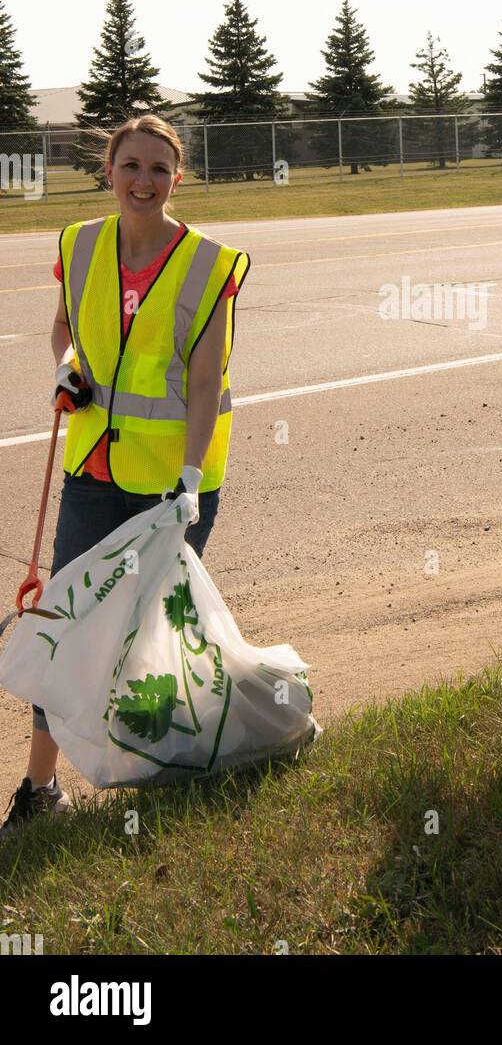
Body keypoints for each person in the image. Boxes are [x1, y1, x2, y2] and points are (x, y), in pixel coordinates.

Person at [1, 115, 249, 837]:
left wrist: (192, 481)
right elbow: (64, 329)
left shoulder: (207, 263)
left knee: (152, 635)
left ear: (179, 178)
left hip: (174, 485)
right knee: (61, 627)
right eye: (131, 165)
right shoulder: (79, 244)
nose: (144, 181)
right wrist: (67, 369)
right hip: (91, 471)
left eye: (160, 169)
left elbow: (206, 384)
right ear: (108, 170)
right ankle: (38, 788)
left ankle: (163, 772)